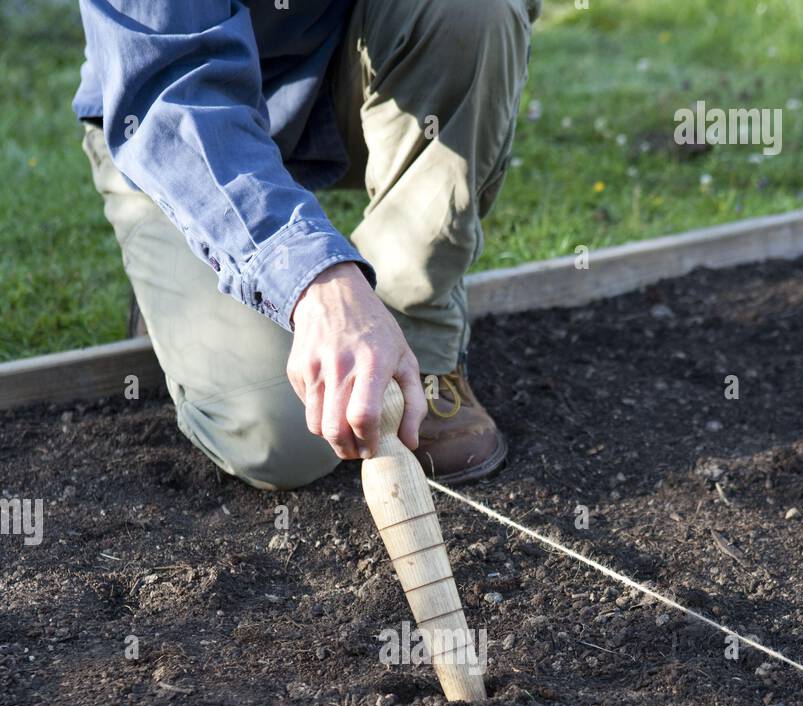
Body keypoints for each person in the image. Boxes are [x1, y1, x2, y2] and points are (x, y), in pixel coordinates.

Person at [74, 0, 541, 491]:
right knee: (285, 439)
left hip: (339, 75)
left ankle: (414, 342)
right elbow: (173, 94)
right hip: (171, 133)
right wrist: (319, 281)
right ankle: (195, 259)